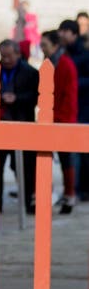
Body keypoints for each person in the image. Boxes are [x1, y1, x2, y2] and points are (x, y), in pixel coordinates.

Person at [0, 40, 39, 214]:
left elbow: (35, 96)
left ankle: (30, 200)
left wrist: (17, 98)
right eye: (3, 56)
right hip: (0, 125)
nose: (5, 60)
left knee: (26, 166)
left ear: (18, 54)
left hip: (23, 122)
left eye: (9, 56)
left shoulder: (30, 72)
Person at [40, 30, 78, 214]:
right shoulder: (49, 62)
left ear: (55, 45)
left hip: (62, 120)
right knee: (45, 158)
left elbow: (69, 97)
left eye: (45, 45)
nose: (42, 48)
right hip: (50, 118)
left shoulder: (65, 65)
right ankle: (49, 193)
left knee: (65, 159)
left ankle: (69, 194)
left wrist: (61, 120)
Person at [58, 19, 89, 201]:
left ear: (74, 34)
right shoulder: (63, 54)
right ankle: (73, 189)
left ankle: (79, 189)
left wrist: (72, 85)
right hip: (70, 108)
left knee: (80, 153)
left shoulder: (84, 55)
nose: (62, 34)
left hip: (83, 107)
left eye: (66, 31)